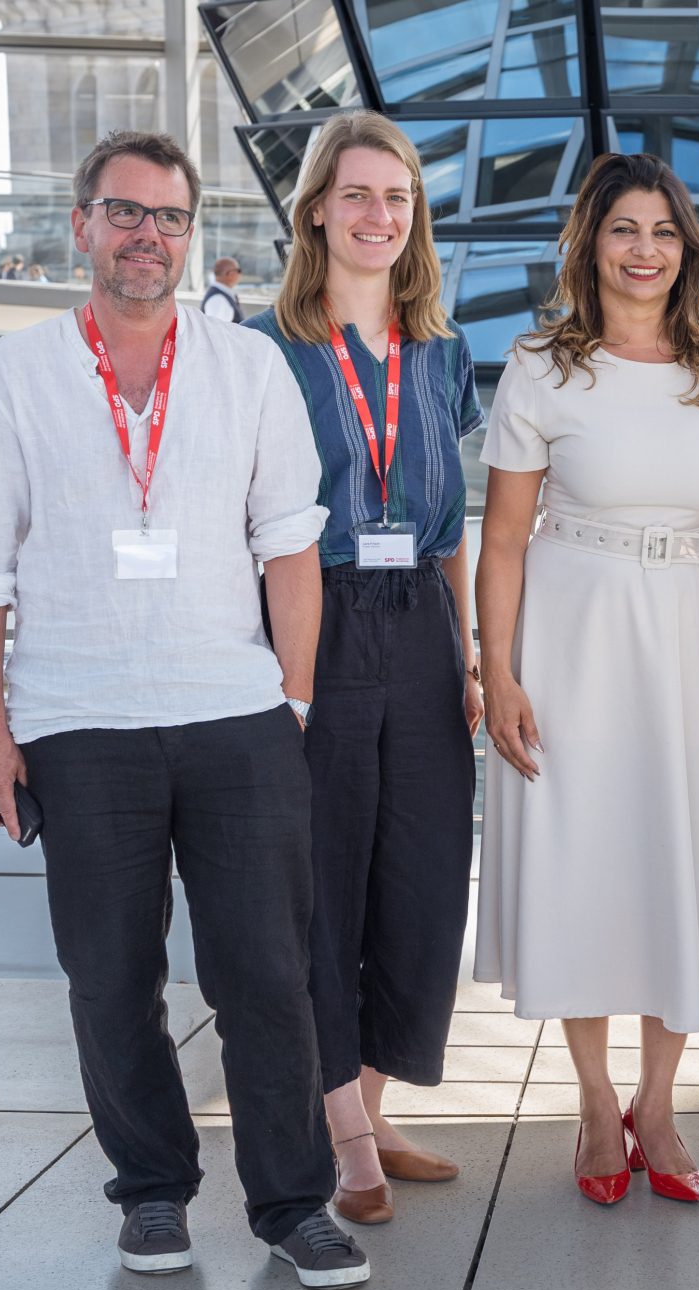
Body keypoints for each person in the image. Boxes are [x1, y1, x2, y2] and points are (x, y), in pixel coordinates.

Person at [0, 129, 369, 1290]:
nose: (148, 236)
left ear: (192, 233)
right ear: (84, 224)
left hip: (234, 715)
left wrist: (292, 701)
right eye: (126, 213)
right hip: (76, 725)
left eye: (170, 218)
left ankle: (293, 1204)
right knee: (110, 977)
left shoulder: (245, 369)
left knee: (267, 975)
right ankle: (151, 1194)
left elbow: (292, 546)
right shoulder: (20, 374)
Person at [475, 152, 699, 1206]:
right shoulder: (541, 366)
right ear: (588, 245)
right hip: (574, 634)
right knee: (586, 863)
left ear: (687, 246)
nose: (644, 249)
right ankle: (597, 1100)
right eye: (622, 229)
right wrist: (499, 672)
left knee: (673, 860)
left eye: (662, 230)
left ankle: (661, 1100)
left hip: (690, 635)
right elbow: (504, 539)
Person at [248, 110, 484, 1226]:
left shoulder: (442, 349)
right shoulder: (266, 350)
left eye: (397, 198)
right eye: (357, 195)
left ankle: (372, 1104)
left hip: (424, 632)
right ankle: (344, 1133)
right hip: (321, 621)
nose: (378, 216)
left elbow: (450, 528)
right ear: (316, 211)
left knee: (424, 879)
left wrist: (473, 654)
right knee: (325, 878)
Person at [204, 257, 246, 322]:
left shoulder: (223, 295)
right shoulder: (217, 299)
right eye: (238, 270)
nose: (240, 274)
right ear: (230, 273)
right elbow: (215, 329)